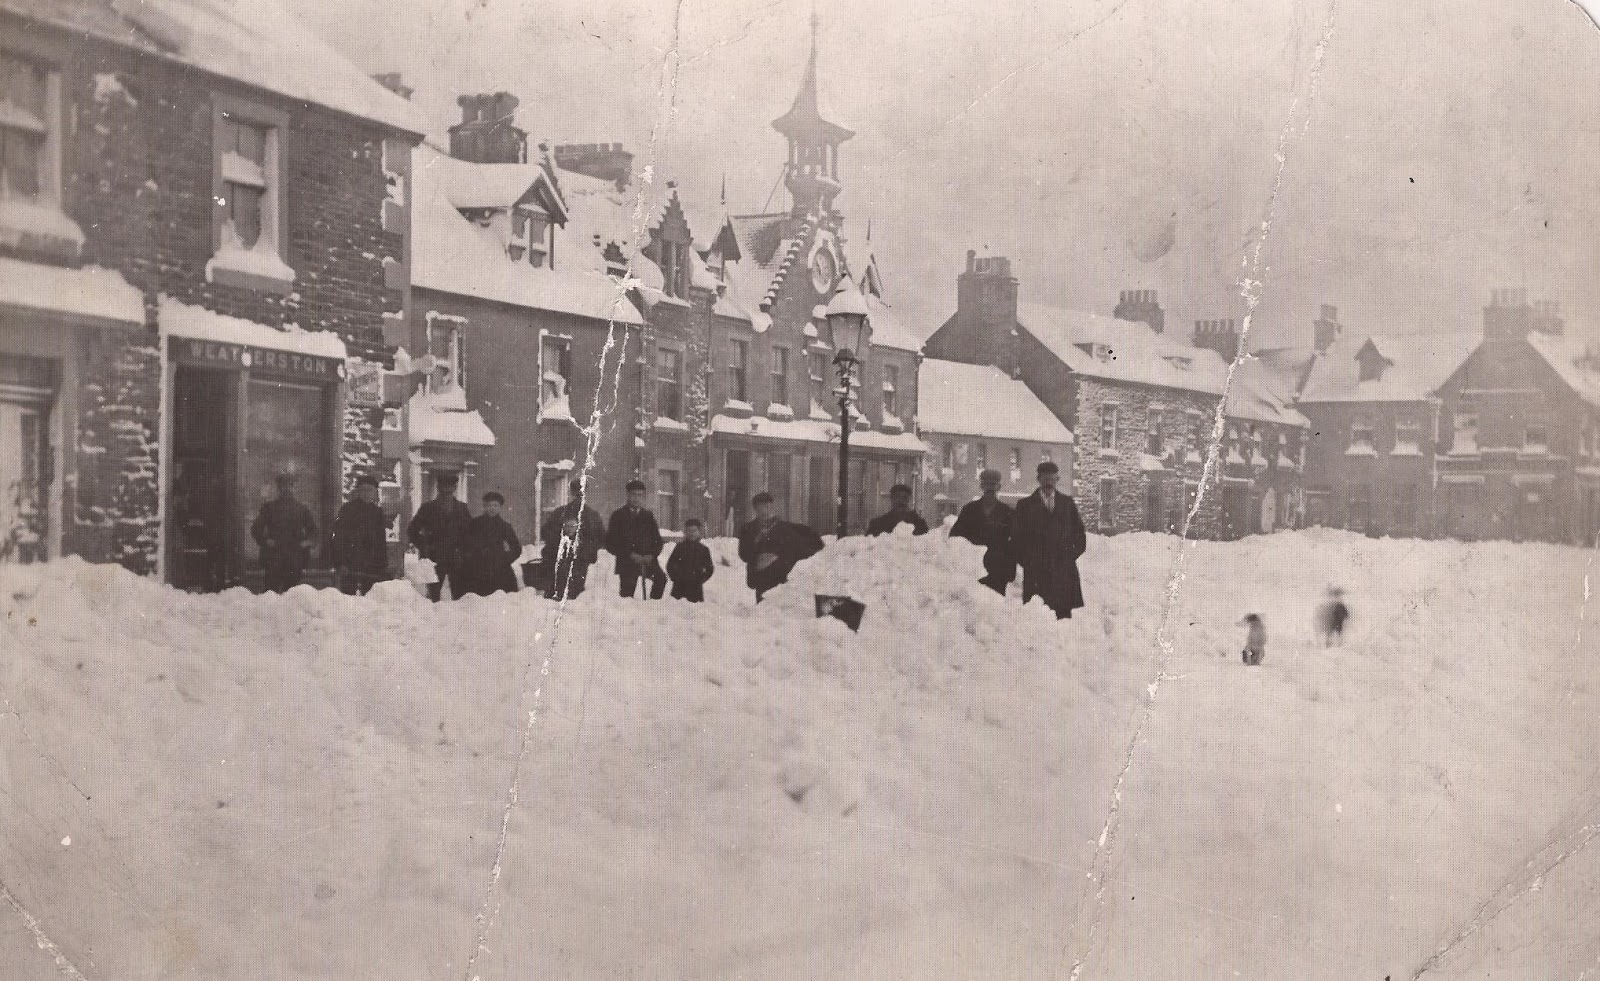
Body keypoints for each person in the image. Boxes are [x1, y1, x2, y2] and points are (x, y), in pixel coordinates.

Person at [1012, 461, 1087, 619]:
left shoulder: (1067, 503)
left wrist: (1069, 556)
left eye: (1052, 479)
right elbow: (1016, 540)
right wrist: (1028, 561)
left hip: (1064, 574)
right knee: (1038, 620)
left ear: (1057, 480)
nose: (1049, 483)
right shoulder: (1025, 506)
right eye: (1045, 479)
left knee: (1064, 621)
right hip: (1036, 574)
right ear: (1038, 479)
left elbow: (1080, 534)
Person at [737, 491, 825, 602]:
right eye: (762, 506)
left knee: (779, 610)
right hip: (761, 578)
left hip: (781, 578)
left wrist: (778, 557)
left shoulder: (785, 528)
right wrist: (758, 556)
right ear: (755, 508)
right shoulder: (747, 529)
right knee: (762, 611)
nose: (766, 510)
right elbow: (744, 554)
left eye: (768, 506)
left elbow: (812, 544)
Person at [949, 468, 1016, 595]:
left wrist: (1009, 571)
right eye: (986, 484)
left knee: (995, 608)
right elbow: (955, 537)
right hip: (973, 571)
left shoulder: (1007, 512)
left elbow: (1014, 543)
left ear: (999, 487)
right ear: (981, 486)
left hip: (997, 570)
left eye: (993, 484)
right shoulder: (969, 510)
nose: (990, 488)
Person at [407, 472, 472, 601]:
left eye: (450, 488)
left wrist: (465, 551)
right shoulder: (428, 508)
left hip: (456, 557)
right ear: (438, 488)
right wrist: (425, 546)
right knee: (433, 596)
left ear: (454, 488)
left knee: (459, 595)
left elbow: (469, 533)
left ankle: (458, 620)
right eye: (444, 488)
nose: (447, 491)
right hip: (434, 557)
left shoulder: (462, 508)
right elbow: (412, 530)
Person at [250, 472, 318, 594]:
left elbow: (313, 531)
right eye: (283, 486)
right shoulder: (269, 508)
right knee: (271, 594)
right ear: (279, 489)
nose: (286, 489)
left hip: (295, 557)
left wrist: (306, 542)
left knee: (292, 594)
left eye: (289, 486)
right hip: (273, 557)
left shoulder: (302, 509)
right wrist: (265, 541)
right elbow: (256, 529)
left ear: (293, 488)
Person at [606, 479, 666, 599]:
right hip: (628, 561)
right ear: (628, 495)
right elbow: (611, 543)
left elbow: (657, 541)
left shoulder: (648, 516)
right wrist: (630, 554)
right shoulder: (618, 516)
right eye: (634, 494)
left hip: (647, 560)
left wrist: (652, 555)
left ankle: (652, 608)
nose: (636, 498)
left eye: (640, 495)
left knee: (661, 579)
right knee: (627, 595)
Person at [331, 474, 389, 595]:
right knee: (348, 600)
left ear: (375, 492)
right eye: (363, 490)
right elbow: (339, 537)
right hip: (350, 564)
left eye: (370, 490)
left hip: (372, 566)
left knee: (370, 600)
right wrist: (340, 562)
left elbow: (380, 540)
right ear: (358, 492)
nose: (366, 493)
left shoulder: (377, 512)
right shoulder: (347, 509)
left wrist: (383, 564)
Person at [460, 491, 521, 596]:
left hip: (499, 570)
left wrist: (505, 559)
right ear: (484, 507)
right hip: (478, 568)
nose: (492, 508)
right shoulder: (474, 524)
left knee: (501, 598)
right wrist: (470, 558)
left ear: (500, 507)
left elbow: (516, 548)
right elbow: (465, 544)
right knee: (478, 599)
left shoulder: (504, 526)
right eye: (489, 505)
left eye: (495, 505)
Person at [540, 479, 606, 559]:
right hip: (580, 559)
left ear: (571, 492)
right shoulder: (592, 515)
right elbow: (601, 538)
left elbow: (545, 533)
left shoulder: (560, 512)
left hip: (562, 557)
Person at [545, 514, 599, 600]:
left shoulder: (583, 541)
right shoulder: (557, 539)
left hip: (577, 576)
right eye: (567, 526)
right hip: (558, 577)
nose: (570, 529)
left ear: (577, 527)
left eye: (573, 526)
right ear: (564, 527)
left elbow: (592, 558)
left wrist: (581, 557)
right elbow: (547, 553)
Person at [666, 518, 715, 602]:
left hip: (695, 588)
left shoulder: (703, 549)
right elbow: (670, 565)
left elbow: (709, 569)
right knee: (675, 612)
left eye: (694, 531)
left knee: (695, 612)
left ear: (699, 532)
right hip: (679, 587)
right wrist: (675, 578)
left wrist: (700, 580)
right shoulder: (679, 547)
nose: (692, 533)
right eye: (689, 531)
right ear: (685, 532)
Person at [865, 484, 930, 536]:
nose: (901, 501)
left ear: (909, 500)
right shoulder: (878, 524)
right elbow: (866, 548)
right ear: (891, 499)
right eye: (897, 497)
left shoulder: (920, 524)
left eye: (904, 497)